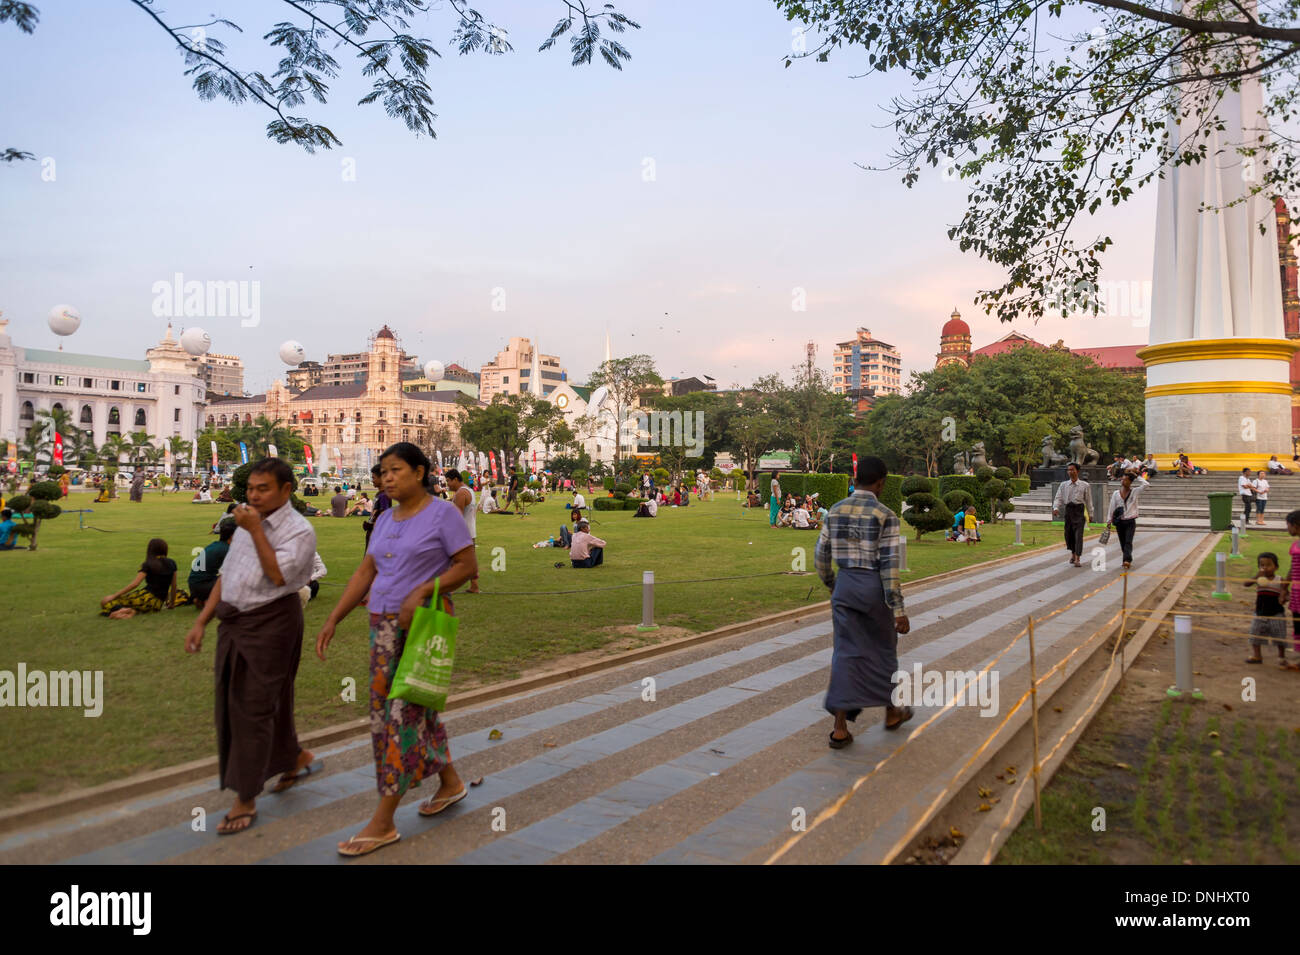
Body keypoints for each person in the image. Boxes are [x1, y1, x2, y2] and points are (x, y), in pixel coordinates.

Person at [315, 442, 475, 857]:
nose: (386, 477)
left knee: (398, 717)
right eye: (382, 471)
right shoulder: (384, 517)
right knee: (413, 708)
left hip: (421, 625)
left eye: (396, 470)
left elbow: (467, 566)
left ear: (420, 472)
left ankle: (383, 821)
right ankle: (450, 782)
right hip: (381, 627)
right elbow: (367, 570)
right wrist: (334, 617)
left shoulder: (444, 514)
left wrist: (423, 590)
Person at [183, 458, 318, 836]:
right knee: (235, 699)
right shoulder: (247, 521)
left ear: (286, 490)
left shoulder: (298, 530)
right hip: (234, 622)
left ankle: (245, 796)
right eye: (251, 489)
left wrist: (256, 529)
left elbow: (277, 576)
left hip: (272, 623)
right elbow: (229, 576)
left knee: (253, 707)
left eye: (264, 489)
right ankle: (293, 757)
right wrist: (201, 620)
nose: (254, 495)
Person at [816, 455, 913, 748]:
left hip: (845, 584)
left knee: (845, 653)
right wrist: (899, 610)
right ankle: (891, 711)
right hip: (874, 588)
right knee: (884, 651)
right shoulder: (886, 515)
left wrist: (835, 586)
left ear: (855, 479)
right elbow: (889, 567)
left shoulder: (834, 510)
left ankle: (840, 727)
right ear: (881, 482)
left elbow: (821, 557)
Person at [101, 538, 190, 618]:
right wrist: (171, 604)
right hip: (157, 605)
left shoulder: (148, 564)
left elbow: (135, 584)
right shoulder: (172, 563)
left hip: (146, 598)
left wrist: (115, 595)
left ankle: (124, 611)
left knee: (106, 602)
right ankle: (133, 611)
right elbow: (174, 585)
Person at [1245, 552, 1290, 667]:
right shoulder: (1259, 579)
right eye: (1262, 565)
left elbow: (1286, 594)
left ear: (1276, 567)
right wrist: (1257, 576)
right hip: (1260, 613)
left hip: (1277, 614)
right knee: (1255, 634)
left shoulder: (1280, 580)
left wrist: (1284, 597)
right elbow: (1246, 584)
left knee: (1279, 636)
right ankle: (1257, 656)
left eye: (1268, 565)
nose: (1265, 567)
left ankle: (1281, 657)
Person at [1105, 471, 1149, 569]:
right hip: (1119, 521)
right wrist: (1109, 520)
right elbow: (1112, 507)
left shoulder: (1134, 491)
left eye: (1125, 480)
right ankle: (1126, 558)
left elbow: (1146, 484)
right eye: (1122, 479)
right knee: (1122, 541)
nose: (1123, 481)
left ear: (1130, 482)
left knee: (1128, 541)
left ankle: (1127, 560)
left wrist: (1137, 477)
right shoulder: (1116, 493)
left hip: (1130, 521)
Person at [189, 518, 236, 609]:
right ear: (232, 536)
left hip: (194, 585)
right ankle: (209, 601)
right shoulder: (226, 549)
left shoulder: (215, 545)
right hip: (202, 586)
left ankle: (201, 599)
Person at [446, 469, 480, 594]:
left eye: (448, 481)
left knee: (452, 560)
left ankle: (450, 588)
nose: (447, 484)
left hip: (461, 532)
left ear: (455, 479)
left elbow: (457, 516)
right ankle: (474, 586)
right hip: (470, 531)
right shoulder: (469, 490)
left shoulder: (461, 493)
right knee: (470, 561)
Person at [1052, 463, 1092, 567]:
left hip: (1079, 511)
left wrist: (1091, 514)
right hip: (1068, 511)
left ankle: (1078, 558)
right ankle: (1073, 554)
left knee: (1078, 535)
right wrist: (1056, 508)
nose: (1070, 472)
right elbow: (1058, 498)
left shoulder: (1085, 485)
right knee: (1068, 535)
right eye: (1068, 470)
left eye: (1072, 470)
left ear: (1077, 471)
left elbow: (1088, 501)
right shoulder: (1063, 485)